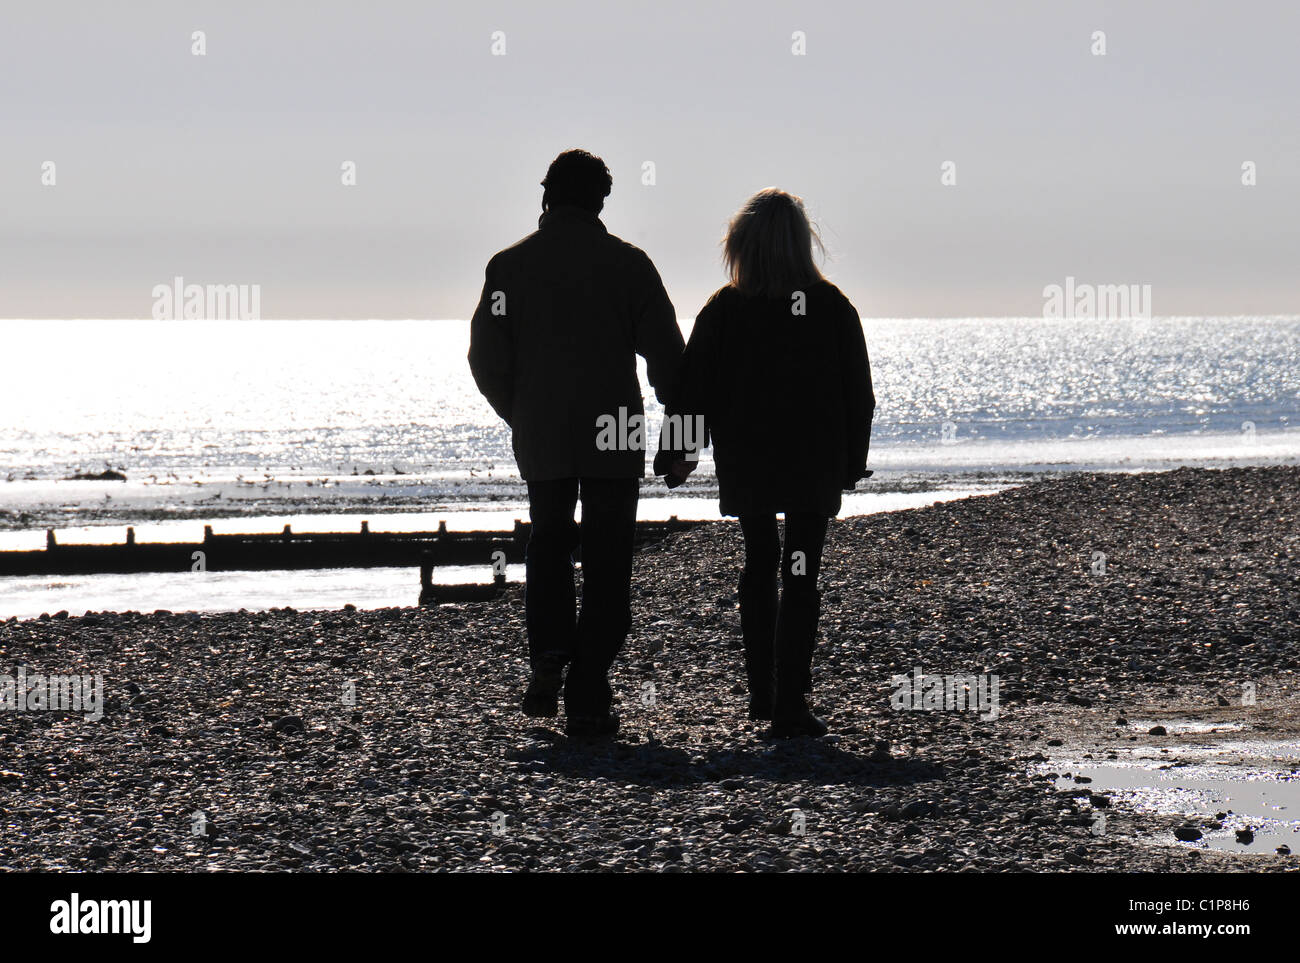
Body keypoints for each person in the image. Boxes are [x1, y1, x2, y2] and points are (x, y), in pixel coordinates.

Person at [468, 149, 684, 738]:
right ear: (602, 199)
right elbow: (668, 356)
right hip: (615, 427)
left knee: (549, 542)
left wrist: (521, 413)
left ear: (547, 196)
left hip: (544, 429)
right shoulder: (628, 265)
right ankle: (588, 686)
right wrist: (682, 437)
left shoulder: (509, 268)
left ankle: (549, 654)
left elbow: (485, 357)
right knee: (610, 556)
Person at [655, 188, 875, 737]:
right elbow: (859, 393)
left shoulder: (725, 309)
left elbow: (692, 390)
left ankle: (763, 691)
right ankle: (791, 702)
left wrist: (679, 455)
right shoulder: (830, 307)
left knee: (759, 563)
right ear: (803, 245)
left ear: (742, 247)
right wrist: (852, 461)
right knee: (801, 572)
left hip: (750, 457)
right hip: (812, 460)